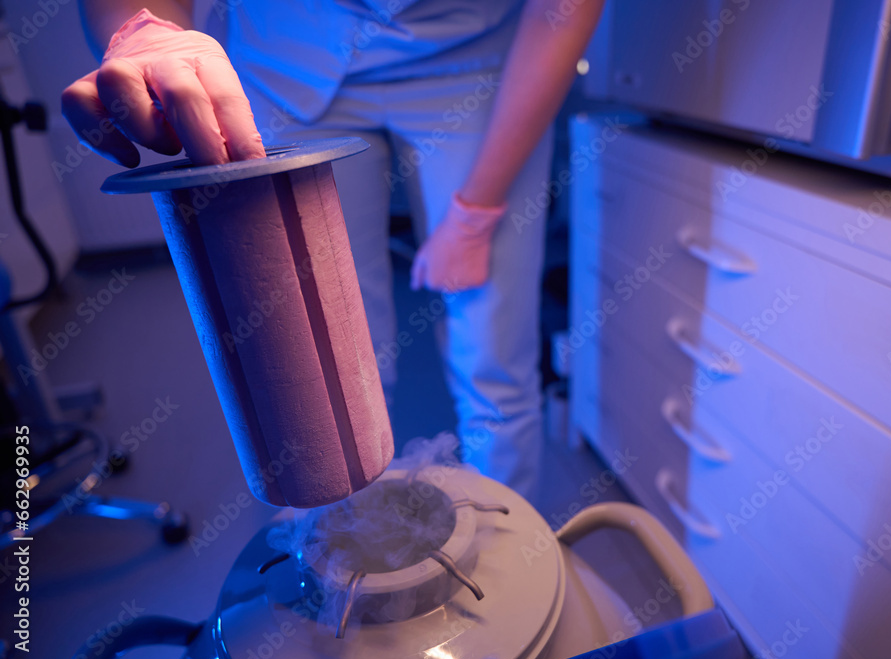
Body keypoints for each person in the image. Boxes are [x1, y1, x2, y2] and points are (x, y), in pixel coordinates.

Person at [62, 0, 605, 499]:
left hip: (473, 64)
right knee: (318, 366)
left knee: (493, 351)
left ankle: (510, 547)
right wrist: (140, 28)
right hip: (287, 65)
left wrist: (474, 214)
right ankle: (341, 550)